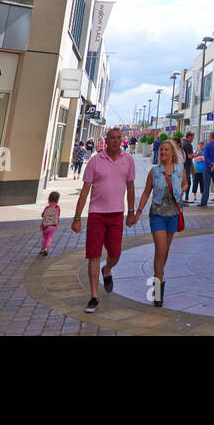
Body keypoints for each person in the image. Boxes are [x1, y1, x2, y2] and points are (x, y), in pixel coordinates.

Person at [71, 127, 136, 314]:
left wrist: (131, 211)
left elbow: (130, 188)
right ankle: (93, 296)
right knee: (93, 255)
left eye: (118, 138)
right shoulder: (95, 161)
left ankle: (107, 270)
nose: (116, 141)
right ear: (106, 140)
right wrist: (77, 217)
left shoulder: (128, 160)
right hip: (96, 214)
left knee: (115, 254)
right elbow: (84, 191)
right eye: (112, 138)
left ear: (122, 140)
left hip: (117, 215)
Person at [131, 139, 187, 307]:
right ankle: (158, 287)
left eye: (166, 150)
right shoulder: (154, 172)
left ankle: (159, 276)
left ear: (172, 153)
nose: (163, 152)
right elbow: (146, 193)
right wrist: (138, 211)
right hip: (157, 215)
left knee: (166, 251)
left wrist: (182, 188)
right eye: (161, 150)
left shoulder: (179, 169)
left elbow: (185, 183)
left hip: (173, 214)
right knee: (160, 249)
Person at [199, 132, 214, 207]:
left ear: (210, 137)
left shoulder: (207, 145)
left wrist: (211, 164)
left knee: (206, 185)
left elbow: (206, 157)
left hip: (207, 168)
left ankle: (204, 202)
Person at [39, 191, 61, 256]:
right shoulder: (57, 208)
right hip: (53, 226)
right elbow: (58, 215)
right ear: (57, 200)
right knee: (50, 238)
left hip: (45, 226)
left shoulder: (47, 208)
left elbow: (42, 215)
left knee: (44, 238)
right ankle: (46, 248)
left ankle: (42, 249)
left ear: (48, 199)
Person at [180, 131, 196, 204]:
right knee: (187, 183)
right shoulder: (188, 145)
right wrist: (197, 154)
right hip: (186, 166)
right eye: (192, 137)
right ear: (189, 137)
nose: (193, 139)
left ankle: (182, 198)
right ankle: (185, 198)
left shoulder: (183, 143)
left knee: (184, 182)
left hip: (183, 166)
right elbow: (189, 156)